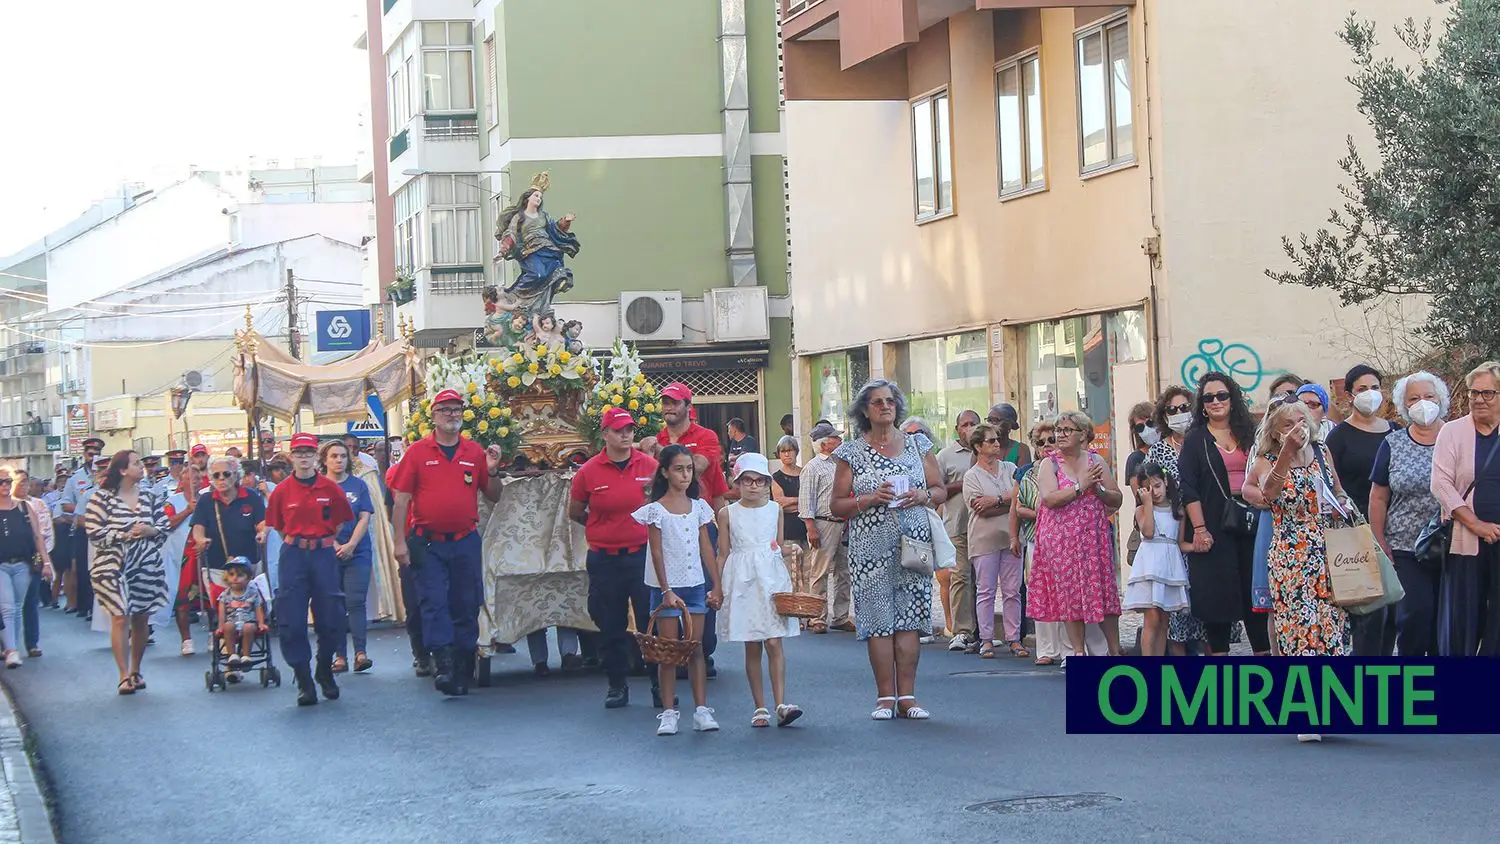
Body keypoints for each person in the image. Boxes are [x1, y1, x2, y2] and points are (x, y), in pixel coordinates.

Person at [830, 379, 946, 721]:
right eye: (877, 402)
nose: (885, 406)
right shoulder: (850, 452)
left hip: (913, 542)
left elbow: (939, 489)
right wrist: (868, 499)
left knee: (909, 620)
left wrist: (923, 496)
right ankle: (885, 697)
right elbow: (836, 505)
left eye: (890, 401)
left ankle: (908, 696)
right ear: (864, 410)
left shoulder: (917, 445)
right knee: (878, 621)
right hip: (869, 548)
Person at [1247, 400, 1353, 743]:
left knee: (1329, 629)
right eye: (1289, 423)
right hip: (1290, 555)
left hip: (1326, 551)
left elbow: (1337, 489)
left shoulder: (1322, 454)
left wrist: (1344, 502)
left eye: (1302, 420)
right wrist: (1286, 454)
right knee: (1298, 629)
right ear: (1276, 431)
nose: (1298, 427)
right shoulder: (1267, 460)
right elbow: (1269, 494)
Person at [391, 392, 505, 698]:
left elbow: (493, 495)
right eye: (445, 410)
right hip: (428, 543)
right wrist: (399, 542)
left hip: (465, 540)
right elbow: (400, 500)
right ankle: (442, 663)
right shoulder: (417, 452)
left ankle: (463, 662)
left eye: (456, 410)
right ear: (434, 415)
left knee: (466, 603)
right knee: (433, 602)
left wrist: (492, 468)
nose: (451, 415)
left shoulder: (474, 451)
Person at [1176, 372, 1272, 657]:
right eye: (1209, 398)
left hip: (1252, 522)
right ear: (1202, 405)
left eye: (1222, 395)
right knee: (1215, 600)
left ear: (1232, 398)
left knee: (1255, 595)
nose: (1216, 401)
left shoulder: (1251, 433)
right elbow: (1188, 488)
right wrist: (1201, 528)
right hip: (1213, 524)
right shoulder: (1195, 440)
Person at [571, 407, 658, 708]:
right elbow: (576, 511)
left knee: (651, 620)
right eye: (619, 430)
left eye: (630, 430)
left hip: (642, 556)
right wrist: (603, 529)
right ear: (605, 434)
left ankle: (659, 682)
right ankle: (616, 683)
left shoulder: (649, 465)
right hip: (605, 558)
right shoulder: (588, 472)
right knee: (610, 623)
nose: (625, 435)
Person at [711, 452, 803, 728]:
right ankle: (759, 706)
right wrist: (718, 587)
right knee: (752, 643)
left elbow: (775, 546)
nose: (753, 485)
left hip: (771, 578)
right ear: (737, 482)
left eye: (759, 480)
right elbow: (722, 553)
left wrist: (790, 551)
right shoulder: (727, 513)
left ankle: (780, 703)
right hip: (741, 579)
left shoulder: (775, 510)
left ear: (766, 483)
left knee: (774, 640)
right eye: (746, 480)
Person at [632, 444, 718, 735]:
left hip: (694, 584)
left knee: (695, 648)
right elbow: (656, 552)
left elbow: (707, 546)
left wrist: (716, 583)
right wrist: (666, 589)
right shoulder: (655, 511)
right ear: (665, 472)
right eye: (678, 469)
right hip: (666, 589)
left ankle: (702, 710)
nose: (685, 474)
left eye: (689, 469)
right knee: (668, 651)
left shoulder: (699, 507)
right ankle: (668, 712)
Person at [266, 434, 356, 706]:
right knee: (291, 621)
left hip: (323, 555)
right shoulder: (282, 491)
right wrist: (299, 542)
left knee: (331, 617)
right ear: (291, 456)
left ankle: (324, 669)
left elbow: (340, 522)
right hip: (294, 555)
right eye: (298, 452)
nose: (303, 457)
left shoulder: (330, 489)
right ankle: (304, 679)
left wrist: (321, 540)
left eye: (308, 452)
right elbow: (279, 527)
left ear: (316, 456)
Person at [1028, 410, 1124, 661]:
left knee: (1104, 594)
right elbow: (1049, 498)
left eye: (1067, 430)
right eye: (1058, 430)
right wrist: (1080, 486)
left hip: (1093, 540)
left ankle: (1115, 652)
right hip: (1060, 542)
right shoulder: (1050, 463)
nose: (1060, 435)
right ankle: (1078, 653)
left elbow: (1117, 498)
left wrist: (1099, 490)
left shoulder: (1096, 461)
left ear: (1083, 435)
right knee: (1070, 597)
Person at [1368, 371, 1447, 658]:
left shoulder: (1457, 437)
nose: (1422, 403)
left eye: (1429, 397)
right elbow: (1378, 495)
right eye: (1414, 398)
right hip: (1404, 546)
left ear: (1441, 400)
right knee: (1414, 616)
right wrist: (1379, 540)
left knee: (1445, 621)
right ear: (1404, 405)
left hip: (1452, 544)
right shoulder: (1393, 443)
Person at [653, 383, 728, 675]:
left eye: (674, 402)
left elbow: (702, 472)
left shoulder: (705, 437)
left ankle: (701, 649)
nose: (668, 407)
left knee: (703, 588)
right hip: (665, 526)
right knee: (667, 588)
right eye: (665, 403)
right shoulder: (656, 436)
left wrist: (723, 533)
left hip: (699, 525)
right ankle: (675, 651)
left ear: (687, 405)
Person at [1325, 363, 1396, 657]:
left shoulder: (1396, 431)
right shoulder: (1338, 437)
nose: (1370, 394)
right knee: (1369, 615)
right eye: (1363, 389)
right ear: (1350, 395)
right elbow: (1329, 484)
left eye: (1375, 388)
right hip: (1355, 534)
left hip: (1396, 530)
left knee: (1393, 613)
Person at [85, 450, 170, 695]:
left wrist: (149, 531)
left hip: (145, 564)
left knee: (141, 617)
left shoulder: (150, 496)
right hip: (113, 565)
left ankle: (136, 669)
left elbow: (164, 527)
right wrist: (123, 534)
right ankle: (123, 675)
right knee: (120, 615)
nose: (141, 467)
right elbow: (93, 532)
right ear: (122, 470)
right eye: (135, 463)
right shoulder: (101, 498)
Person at [1431, 361, 1500, 656]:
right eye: (1474, 392)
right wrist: (1476, 524)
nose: (1478, 399)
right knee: (1462, 620)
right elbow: (1440, 484)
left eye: (1487, 393)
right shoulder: (1452, 431)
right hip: (1466, 539)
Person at [963, 423, 1022, 658]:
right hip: (984, 539)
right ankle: (986, 639)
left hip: (1012, 537)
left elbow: (1020, 499)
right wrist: (1008, 502)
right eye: (991, 441)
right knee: (986, 591)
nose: (997, 444)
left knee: (1012, 591)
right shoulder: (971, 476)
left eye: (997, 440)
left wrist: (996, 499)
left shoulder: (1010, 468)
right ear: (978, 446)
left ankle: (1014, 638)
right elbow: (981, 509)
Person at [1123, 463, 1190, 656]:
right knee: (1151, 618)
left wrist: (1197, 545)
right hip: (1149, 567)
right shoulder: (1142, 510)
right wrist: (1148, 504)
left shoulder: (1178, 511)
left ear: (1166, 482)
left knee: (1164, 619)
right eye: (1149, 489)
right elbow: (1149, 532)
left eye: (1158, 486)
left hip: (1169, 567)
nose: (1155, 492)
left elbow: (1180, 542)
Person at [321, 441, 375, 674]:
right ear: (325, 460)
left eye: (343, 456)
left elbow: (364, 517)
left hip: (358, 550)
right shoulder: (319, 487)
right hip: (328, 551)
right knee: (335, 605)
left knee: (356, 601)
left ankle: (360, 653)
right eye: (333, 456)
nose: (338, 460)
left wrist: (351, 544)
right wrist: (334, 545)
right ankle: (340, 656)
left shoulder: (358, 485)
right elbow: (317, 521)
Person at [796, 422, 850, 634]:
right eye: (835, 438)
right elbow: (806, 499)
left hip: (842, 522)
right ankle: (816, 616)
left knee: (843, 571)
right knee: (819, 572)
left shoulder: (840, 463)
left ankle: (841, 616)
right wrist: (811, 527)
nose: (839, 440)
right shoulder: (813, 467)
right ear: (825, 443)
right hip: (823, 521)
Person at [0, 467, 54, 669]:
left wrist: (46, 563)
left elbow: (37, 536)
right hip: (1, 565)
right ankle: (12, 651)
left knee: (16, 606)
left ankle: (10, 646)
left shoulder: (24, 507)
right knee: (6, 606)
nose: (5, 485)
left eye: (7, 481)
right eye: (1, 482)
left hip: (23, 564)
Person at [937, 410, 979, 652]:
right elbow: (938, 490)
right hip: (957, 525)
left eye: (974, 423)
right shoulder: (945, 456)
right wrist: (965, 483)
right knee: (960, 577)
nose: (970, 428)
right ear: (957, 429)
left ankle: (983, 632)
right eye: (965, 424)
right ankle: (961, 631)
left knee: (983, 581)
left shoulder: (987, 452)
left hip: (984, 526)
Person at [59, 436, 105, 620]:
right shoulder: (75, 478)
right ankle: (85, 605)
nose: (93, 457)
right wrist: (84, 506)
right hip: (83, 528)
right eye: (90, 453)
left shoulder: (107, 475)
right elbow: (65, 505)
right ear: (84, 454)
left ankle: (99, 605)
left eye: (97, 453)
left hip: (103, 526)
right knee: (84, 568)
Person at [13, 471, 53, 659]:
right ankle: (8, 644)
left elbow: (44, 533)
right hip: (8, 558)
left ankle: (32, 643)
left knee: (31, 600)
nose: (22, 486)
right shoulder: (5, 504)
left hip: (33, 556)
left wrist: (45, 560)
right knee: (7, 604)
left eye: (25, 482)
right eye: (18, 482)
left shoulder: (38, 505)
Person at [769, 436, 810, 608]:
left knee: (808, 571)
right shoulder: (775, 477)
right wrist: (801, 501)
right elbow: (780, 503)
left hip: (807, 527)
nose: (787, 455)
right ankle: (792, 609)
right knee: (790, 571)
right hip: (787, 529)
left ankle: (807, 608)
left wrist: (793, 502)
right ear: (779, 454)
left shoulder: (805, 472)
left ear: (796, 452)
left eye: (790, 450)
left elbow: (811, 500)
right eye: (783, 451)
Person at [216, 557, 268, 669]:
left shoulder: (252, 593)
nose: (235, 578)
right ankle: (232, 655)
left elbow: (258, 608)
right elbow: (222, 612)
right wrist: (220, 626)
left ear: (248, 578)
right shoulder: (225, 595)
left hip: (249, 621)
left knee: (248, 628)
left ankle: (246, 656)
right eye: (231, 574)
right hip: (232, 620)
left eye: (240, 575)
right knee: (227, 626)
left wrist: (261, 623)